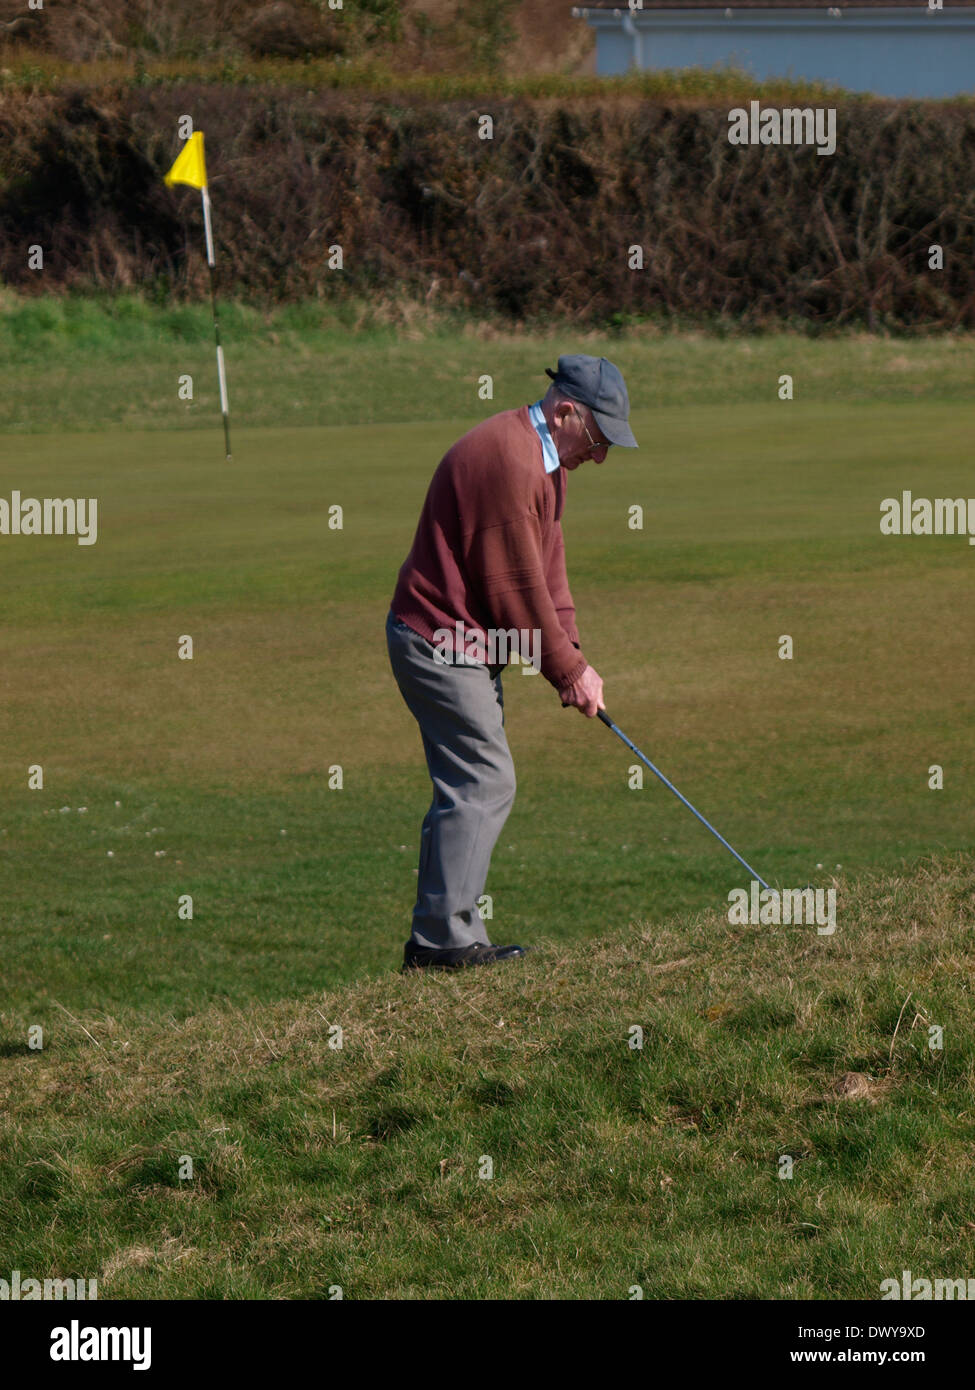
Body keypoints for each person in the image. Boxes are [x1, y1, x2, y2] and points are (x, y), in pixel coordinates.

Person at [387, 355, 638, 972]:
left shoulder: (548, 463)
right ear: (566, 411)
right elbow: (516, 590)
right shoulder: (509, 459)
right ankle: (441, 944)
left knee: (471, 781)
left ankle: (443, 935)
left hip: (469, 644)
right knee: (482, 779)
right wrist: (567, 673)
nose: (601, 456)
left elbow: (550, 574)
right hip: (440, 642)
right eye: (599, 439)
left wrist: (574, 657)